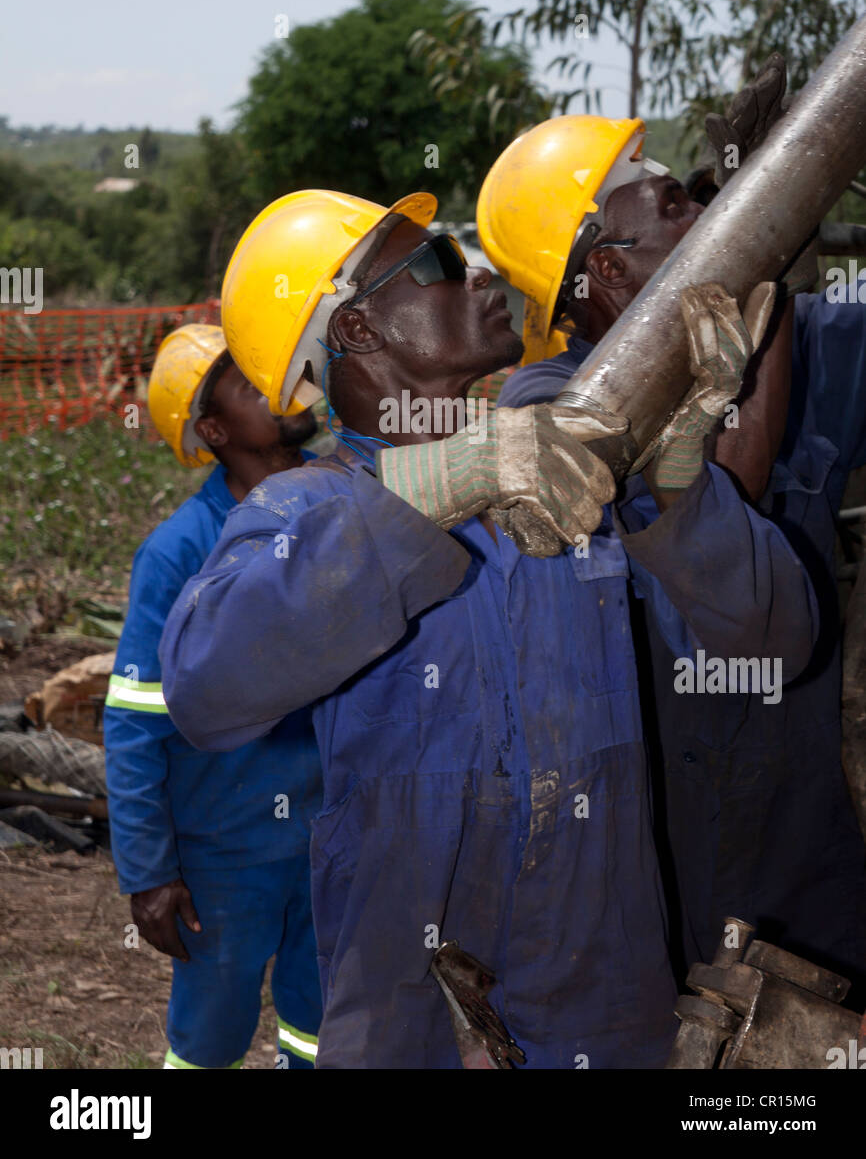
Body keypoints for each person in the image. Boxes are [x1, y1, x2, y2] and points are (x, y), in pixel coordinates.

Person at [160, 189, 817, 1069]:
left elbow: (775, 644)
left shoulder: (564, 476)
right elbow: (204, 687)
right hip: (417, 1009)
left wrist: (682, 483)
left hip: (606, 1006)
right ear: (356, 331)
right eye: (434, 262)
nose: (474, 272)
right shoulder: (308, 506)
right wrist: (436, 485)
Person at [478, 98, 866, 997]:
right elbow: (732, 501)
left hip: (804, 824)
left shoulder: (797, 339)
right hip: (648, 846)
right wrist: (756, 322)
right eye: (676, 207)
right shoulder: (555, 413)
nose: (709, 220)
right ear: (609, 273)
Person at [103, 323, 323, 1069]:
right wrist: (148, 872)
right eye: (251, 382)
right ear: (214, 430)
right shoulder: (179, 552)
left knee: (324, 1024)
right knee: (211, 1038)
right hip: (223, 851)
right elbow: (134, 724)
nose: (283, 383)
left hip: (336, 835)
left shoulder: (344, 503)